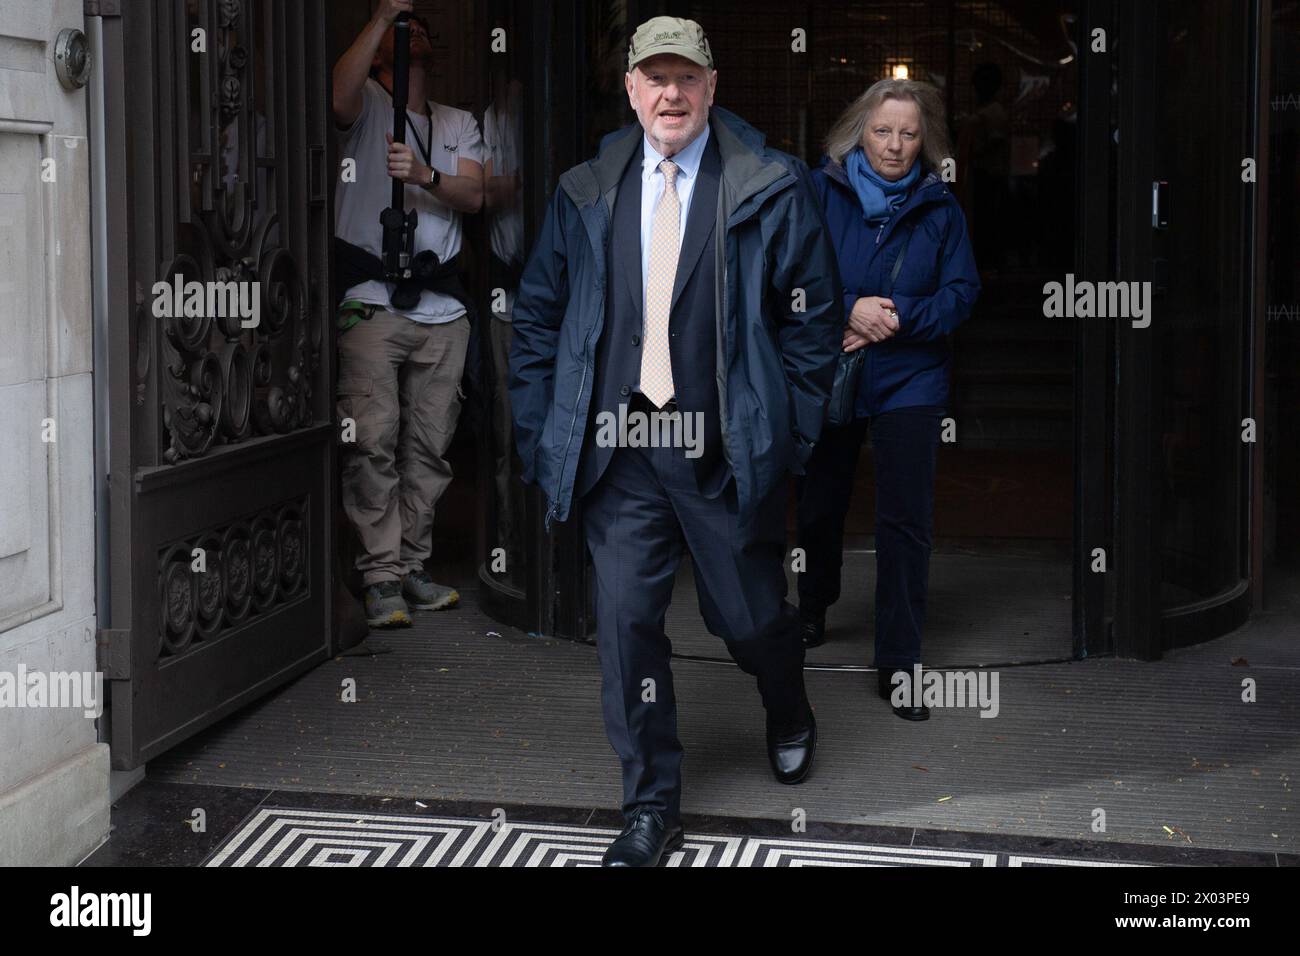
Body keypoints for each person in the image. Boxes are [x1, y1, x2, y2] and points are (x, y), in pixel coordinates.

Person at [509, 16, 842, 867]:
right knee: (626, 626)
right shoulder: (587, 188)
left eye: (685, 78)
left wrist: (789, 432)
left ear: (711, 85)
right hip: (620, 453)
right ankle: (650, 804)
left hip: (722, 452)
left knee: (750, 617)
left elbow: (814, 321)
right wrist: (541, 429)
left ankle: (786, 701)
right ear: (630, 89)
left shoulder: (769, 184)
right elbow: (540, 317)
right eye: (654, 77)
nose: (671, 93)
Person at [795, 79, 979, 719]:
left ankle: (899, 663)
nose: (895, 145)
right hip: (835, 367)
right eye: (882, 131)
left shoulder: (942, 209)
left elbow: (961, 295)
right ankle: (813, 606)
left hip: (911, 379)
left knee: (905, 522)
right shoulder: (820, 193)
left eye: (908, 133)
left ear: (925, 140)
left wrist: (899, 317)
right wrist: (849, 309)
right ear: (858, 133)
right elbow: (788, 280)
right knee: (820, 502)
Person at [332, 0, 484, 628]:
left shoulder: (455, 122)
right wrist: (381, 16)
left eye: (418, 25)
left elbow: (474, 194)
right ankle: (381, 577)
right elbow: (336, 96)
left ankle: (414, 566)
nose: (409, 31)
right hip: (372, 303)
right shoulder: (365, 102)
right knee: (372, 443)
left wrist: (424, 175)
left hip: (443, 310)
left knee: (430, 448)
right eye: (403, 26)